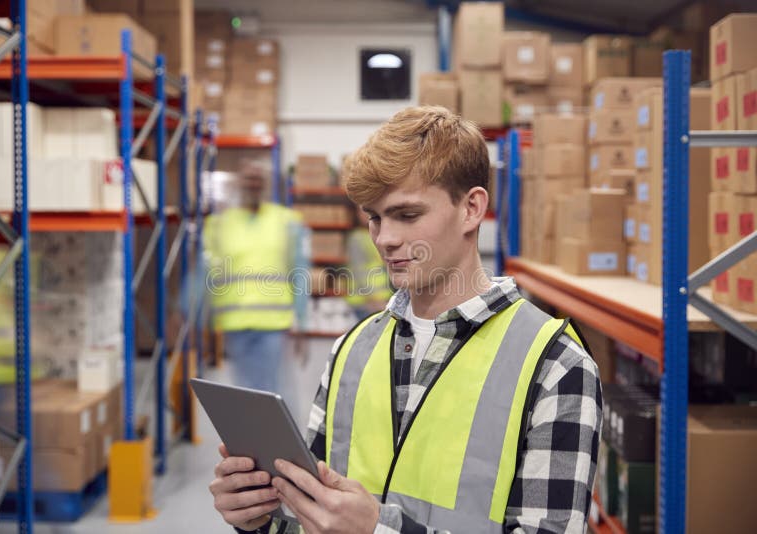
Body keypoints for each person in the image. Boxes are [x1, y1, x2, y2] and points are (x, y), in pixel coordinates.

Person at [209, 106, 602, 533]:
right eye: (375, 218)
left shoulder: (556, 366)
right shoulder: (351, 351)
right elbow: (312, 521)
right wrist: (260, 519)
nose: (385, 239)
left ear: (471, 209)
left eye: (407, 215)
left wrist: (378, 530)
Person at [203, 159, 309, 397]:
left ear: (266, 185)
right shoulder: (220, 224)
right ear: (240, 184)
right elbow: (206, 274)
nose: (253, 184)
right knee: (245, 390)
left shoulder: (287, 221)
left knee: (270, 390)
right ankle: (253, 433)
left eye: (258, 180)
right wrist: (202, 320)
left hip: (272, 324)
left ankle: (273, 434)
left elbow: (300, 272)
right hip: (235, 324)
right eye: (248, 179)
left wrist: (302, 322)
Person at [343, 201, 394, 320]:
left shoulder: (373, 235)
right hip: (365, 301)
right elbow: (359, 270)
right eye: (362, 211)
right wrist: (372, 298)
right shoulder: (356, 237)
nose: (366, 215)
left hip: (379, 298)